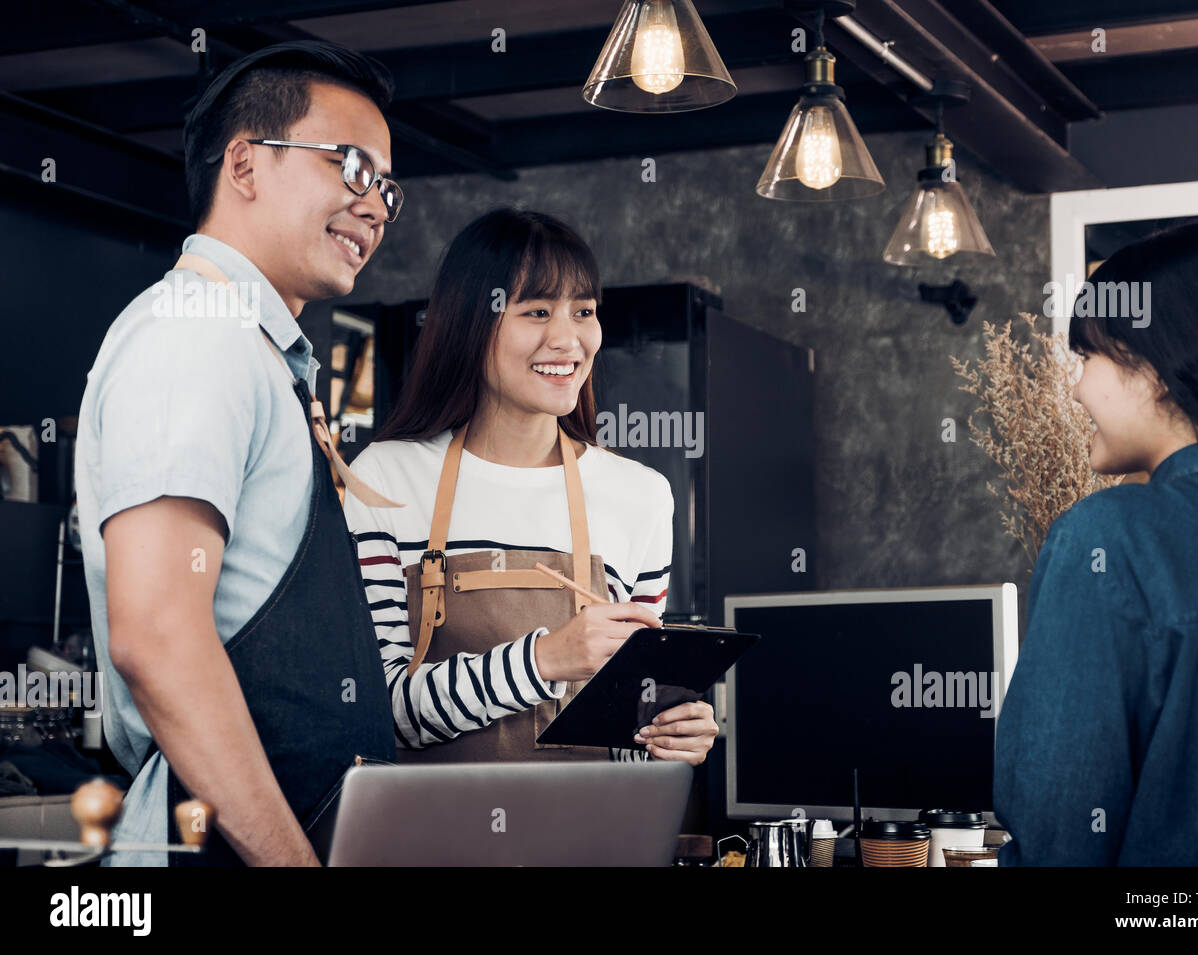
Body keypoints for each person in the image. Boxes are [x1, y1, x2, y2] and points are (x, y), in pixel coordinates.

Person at [74, 41, 403, 866]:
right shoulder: (197, 333)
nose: (375, 207)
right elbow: (157, 636)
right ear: (246, 164)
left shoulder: (251, 349)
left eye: (387, 189)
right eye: (351, 167)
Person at [343, 208, 719, 764]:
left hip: (594, 821)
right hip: (430, 821)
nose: (568, 340)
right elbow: (380, 712)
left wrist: (663, 735)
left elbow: (626, 722)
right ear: (470, 324)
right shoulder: (384, 478)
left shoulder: (641, 496)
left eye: (583, 312)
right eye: (537, 311)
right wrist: (544, 661)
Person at [994, 220, 1198, 865]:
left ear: (1156, 368)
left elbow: (1060, 828)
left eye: (1088, 358)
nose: (1076, 388)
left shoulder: (1110, 539)